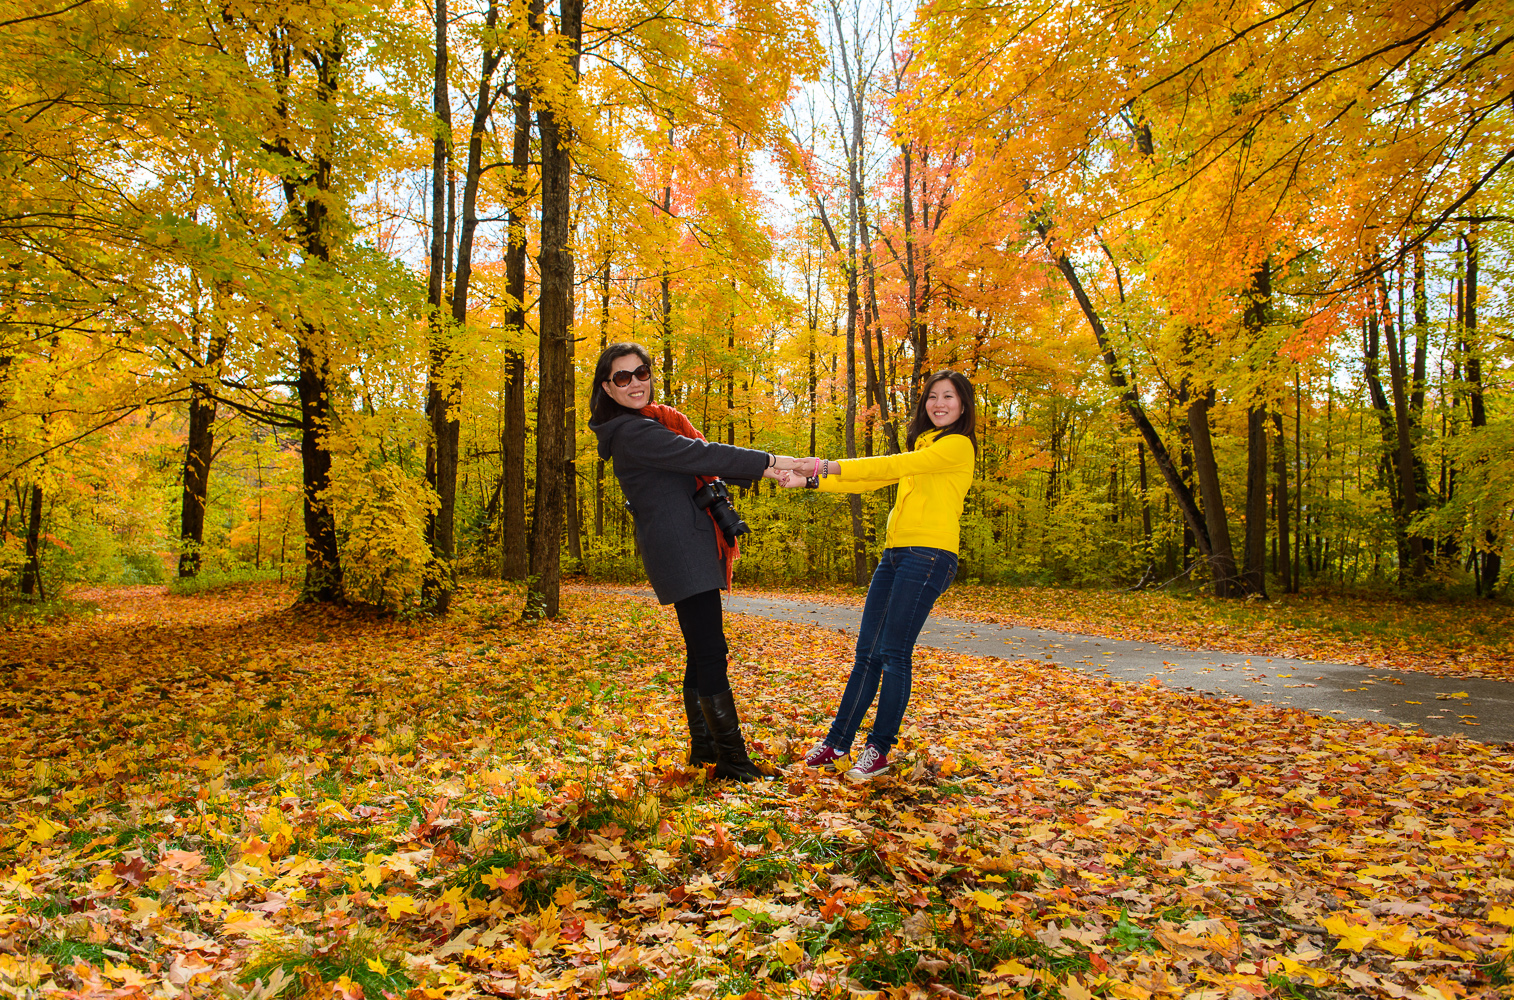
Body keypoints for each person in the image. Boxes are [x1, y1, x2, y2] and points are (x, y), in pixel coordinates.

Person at [588, 342, 809, 782]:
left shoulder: (647, 425)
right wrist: (779, 462)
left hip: (684, 547)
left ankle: (705, 750)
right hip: (681, 552)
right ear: (608, 389)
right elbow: (704, 456)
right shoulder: (634, 433)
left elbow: (700, 461)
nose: (635, 383)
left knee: (701, 651)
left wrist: (769, 471)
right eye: (622, 377)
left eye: (641, 372)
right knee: (711, 651)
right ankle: (732, 759)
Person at [779, 370, 977, 782]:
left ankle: (878, 749)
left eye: (949, 397)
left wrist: (824, 462)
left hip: (930, 554)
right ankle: (836, 745)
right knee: (866, 653)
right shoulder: (926, 446)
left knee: (893, 653)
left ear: (963, 405)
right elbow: (873, 477)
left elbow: (892, 463)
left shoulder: (957, 446)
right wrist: (811, 480)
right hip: (896, 553)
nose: (939, 404)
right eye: (932, 397)